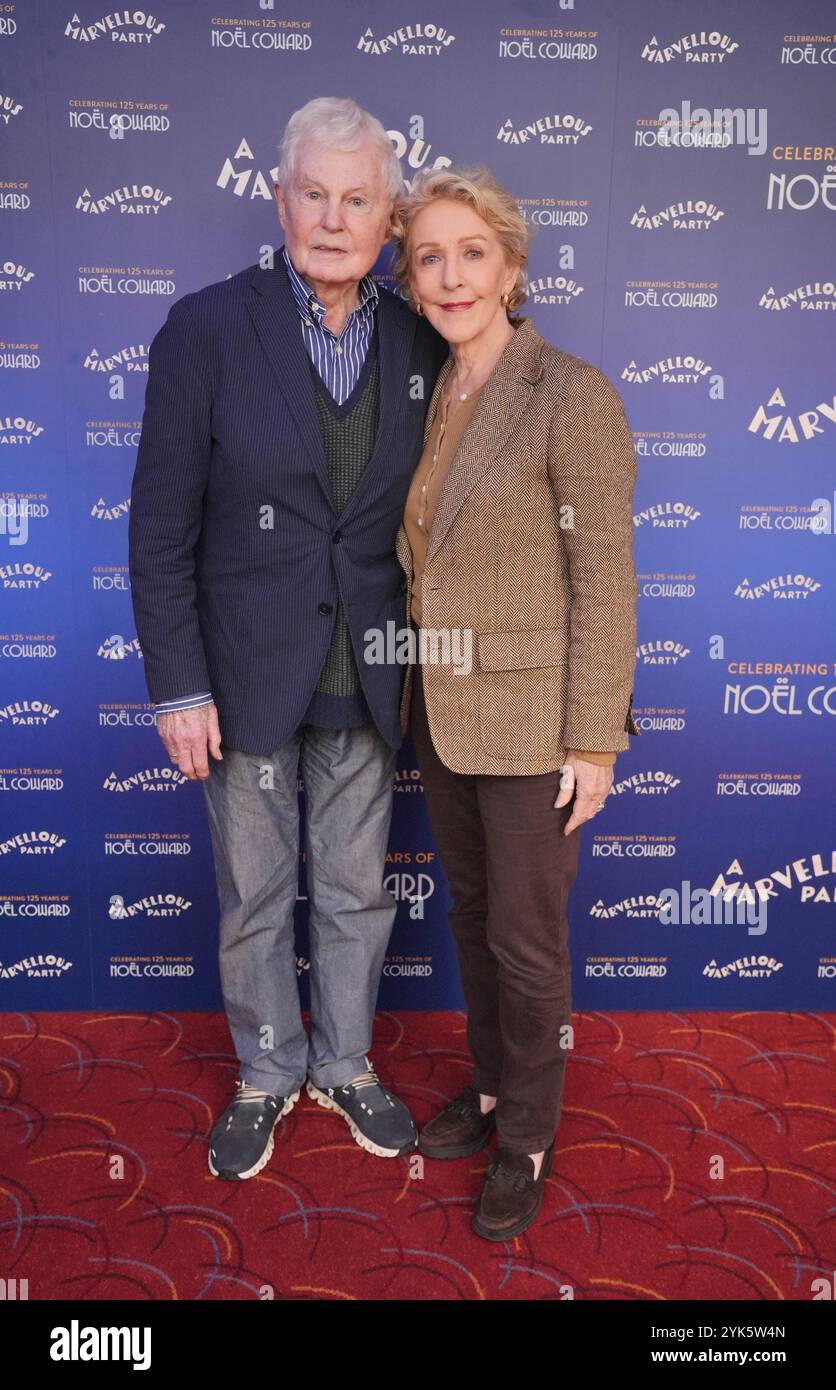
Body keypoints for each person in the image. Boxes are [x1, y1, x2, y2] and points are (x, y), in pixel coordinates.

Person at [128, 98, 447, 1180]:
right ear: (279, 197)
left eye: (357, 198)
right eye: (312, 192)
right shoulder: (206, 328)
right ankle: (267, 1071)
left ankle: (345, 1060)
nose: (332, 216)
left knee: (357, 891)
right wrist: (177, 689)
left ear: (388, 216)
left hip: (369, 677)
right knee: (256, 897)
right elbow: (159, 528)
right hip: (241, 676)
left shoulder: (417, 338)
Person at [391, 166, 640, 1239]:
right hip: (442, 710)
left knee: (528, 944)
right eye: (428, 258)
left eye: (469, 252)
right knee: (472, 920)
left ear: (511, 265)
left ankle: (528, 1133)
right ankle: (490, 1088)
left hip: (535, 727)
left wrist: (591, 740)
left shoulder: (566, 391)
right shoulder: (433, 391)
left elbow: (605, 581)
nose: (449, 276)